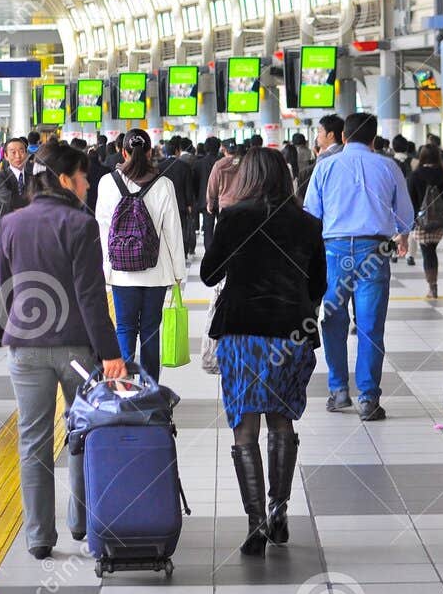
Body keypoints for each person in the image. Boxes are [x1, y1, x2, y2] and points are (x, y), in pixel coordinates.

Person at [0, 142, 123, 559]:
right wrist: (111, 353)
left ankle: (38, 537)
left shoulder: (11, 223)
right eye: (83, 176)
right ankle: (81, 522)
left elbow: (5, 288)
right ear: (66, 179)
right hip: (75, 350)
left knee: (32, 441)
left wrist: (21, 327)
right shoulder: (80, 224)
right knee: (82, 432)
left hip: (25, 347)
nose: (87, 183)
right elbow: (89, 296)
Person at [201, 147, 326, 556]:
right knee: (281, 419)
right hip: (291, 334)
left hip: (243, 334)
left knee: (245, 425)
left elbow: (209, 275)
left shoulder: (234, 218)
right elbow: (318, 286)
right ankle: (279, 508)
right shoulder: (308, 223)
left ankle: (255, 521)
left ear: (247, 178)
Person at [304, 112, 413, 421]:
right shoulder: (388, 166)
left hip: (333, 252)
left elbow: (311, 216)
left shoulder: (325, 167)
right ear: (374, 140)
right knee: (369, 327)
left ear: (342, 137)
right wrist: (398, 234)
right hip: (374, 251)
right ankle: (368, 399)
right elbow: (405, 217)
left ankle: (338, 392)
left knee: (333, 323)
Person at [96, 128, 185, 380]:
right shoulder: (164, 184)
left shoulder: (107, 183)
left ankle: (124, 388)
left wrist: (105, 267)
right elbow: (173, 232)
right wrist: (178, 273)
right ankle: (151, 392)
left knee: (124, 328)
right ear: (149, 152)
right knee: (150, 331)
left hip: (121, 272)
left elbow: (102, 228)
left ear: (122, 151)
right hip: (156, 272)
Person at [407, 144, 443, 300]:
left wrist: (412, 219)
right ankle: (432, 286)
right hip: (440, 221)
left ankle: (432, 287)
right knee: (431, 250)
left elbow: (411, 200)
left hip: (421, 222)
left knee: (428, 252)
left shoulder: (415, 175)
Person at [155, 136, 198, 257]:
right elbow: (188, 187)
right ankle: (182, 253)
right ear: (177, 151)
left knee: (166, 230)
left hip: (164, 204)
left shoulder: (159, 167)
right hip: (181, 204)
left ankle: (168, 254)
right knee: (182, 229)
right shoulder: (184, 166)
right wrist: (189, 204)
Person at [0, 137, 34, 245]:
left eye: (21, 151)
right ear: (5, 156)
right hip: (7, 232)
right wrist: (31, 209)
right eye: (13, 152)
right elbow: (6, 198)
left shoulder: (34, 177)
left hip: (32, 231)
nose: (18, 156)